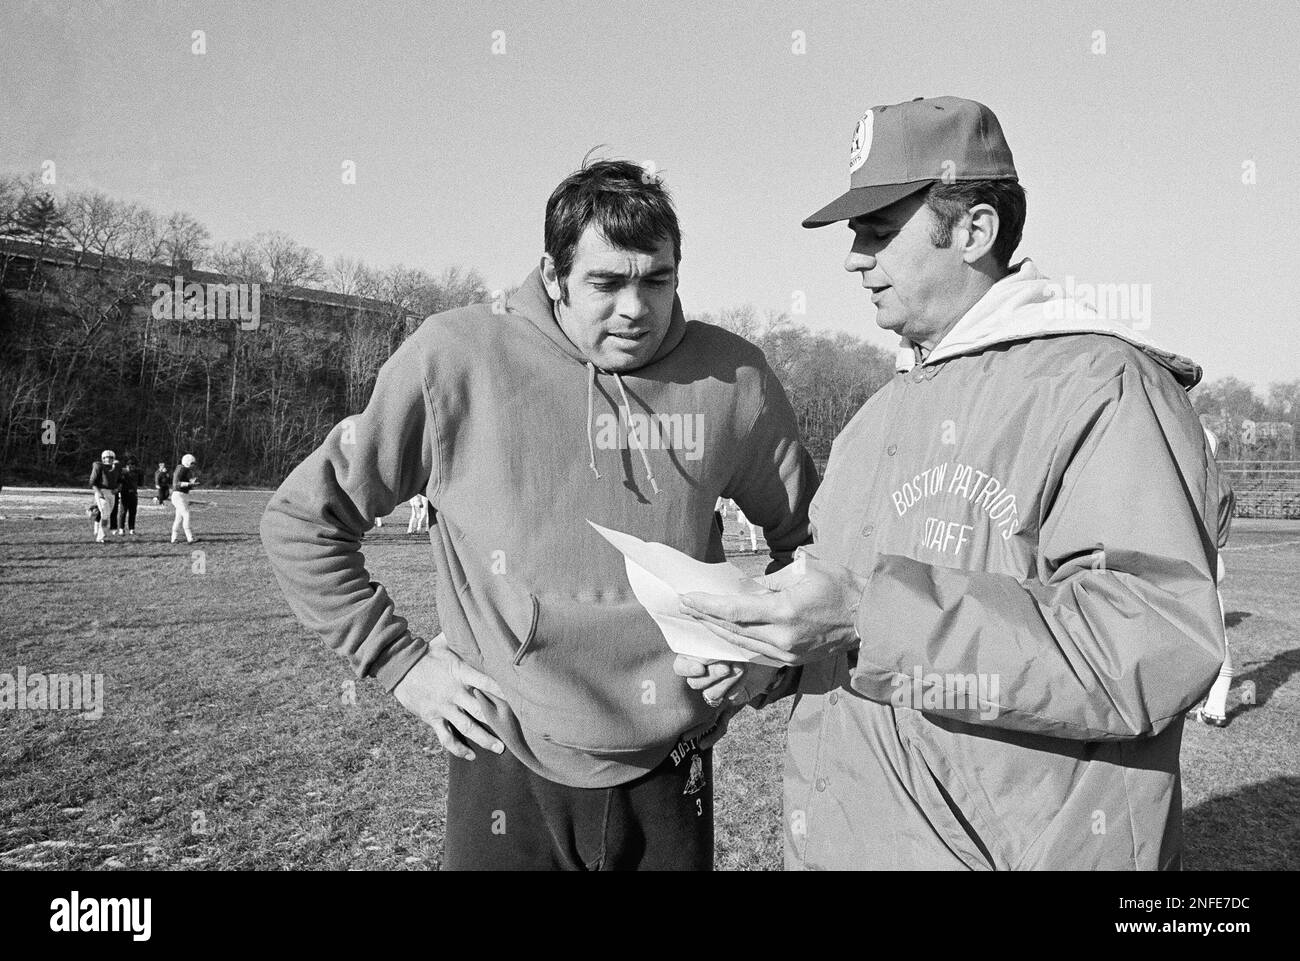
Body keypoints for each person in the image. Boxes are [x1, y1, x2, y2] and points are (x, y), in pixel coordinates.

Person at [676, 97, 1225, 870]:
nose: (853, 258)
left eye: (876, 230)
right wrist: (773, 654)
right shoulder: (875, 421)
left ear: (974, 231)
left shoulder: (1103, 388)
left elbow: (1152, 643)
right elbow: (846, 624)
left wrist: (871, 613)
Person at [261, 159, 817, 871]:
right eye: (606, 283)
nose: (635, 308)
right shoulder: (456, 357)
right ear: (553, 277)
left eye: (657, 279)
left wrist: (760, 662)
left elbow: (809, 549)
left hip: (673, 760)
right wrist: (400, 664)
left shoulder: (733, 378)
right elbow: (303, 520)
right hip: (506, 758)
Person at [1196, 428, 1237, 727]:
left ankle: (1216, 707)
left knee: (1213, 637)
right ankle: (1212, 705)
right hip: (1212, 559)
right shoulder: (1223, 483)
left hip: (1200, 560)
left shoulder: (1199, 480)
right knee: (1214, 634)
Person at [88, 449, 121, 544]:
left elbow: (120, 481)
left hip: (112, 493)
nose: (108, 459)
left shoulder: (116, 467)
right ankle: (101, 536)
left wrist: (117, 489)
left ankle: (101, 534)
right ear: (103, 458)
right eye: (106, 457)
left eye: (110, 458)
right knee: (105, 514)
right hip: (102, 491)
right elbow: (92, 482)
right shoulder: (98, 466)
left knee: (106, 515)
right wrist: (99, 492)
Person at [170, 453, 200, 543]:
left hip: (182, 495)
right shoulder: (181, 469)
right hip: (178, 495)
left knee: (178, 518)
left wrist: (192, 484)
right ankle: (190, 537)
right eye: (192, 463)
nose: (193, 466)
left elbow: (185, 485)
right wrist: (190, 484)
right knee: (186, 514)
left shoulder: (186, 470)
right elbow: (177, 484)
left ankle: (174, 538)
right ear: (187, 462)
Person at [117, 455, 144, 535]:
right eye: (129, 465)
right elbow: (118, 482)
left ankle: (131, 529)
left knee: (133, 512)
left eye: (133, 465)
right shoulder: (122, 472)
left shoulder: (137, 473)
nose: (131, 467)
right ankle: (121, 528)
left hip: (134, 494)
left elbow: (140, 483)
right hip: (124, 493)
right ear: (126, 466)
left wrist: (140, 475)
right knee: (123, 512)